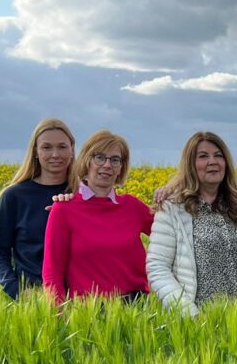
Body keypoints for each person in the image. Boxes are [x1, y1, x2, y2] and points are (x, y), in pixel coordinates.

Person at [145, 132, 237, 315]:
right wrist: (188, 313)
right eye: (203, 156)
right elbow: (157, 267)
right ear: (190, 164)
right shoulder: (173, 208)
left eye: (218, 155)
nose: (213, 161)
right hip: (197, 321)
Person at [42, 130, 154, 304]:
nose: (107, 165)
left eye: (115, 160)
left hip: (139, 308)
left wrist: (170, 193)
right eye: (100, 157)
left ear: (121, 167)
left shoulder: (133, 206)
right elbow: (52, 271)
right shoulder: (63, 209)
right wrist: (58, 313)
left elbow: (174, 234)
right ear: (87, 161)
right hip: (88, 312)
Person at [0, 118, 78, 300]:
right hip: (32, 298)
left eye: (62, 147)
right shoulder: (14, 196)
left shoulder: (84, 195)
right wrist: (17, 290)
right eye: (46, 147)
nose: (55, 154)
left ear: (72, 149)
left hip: (81, 301)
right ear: (35, 151)